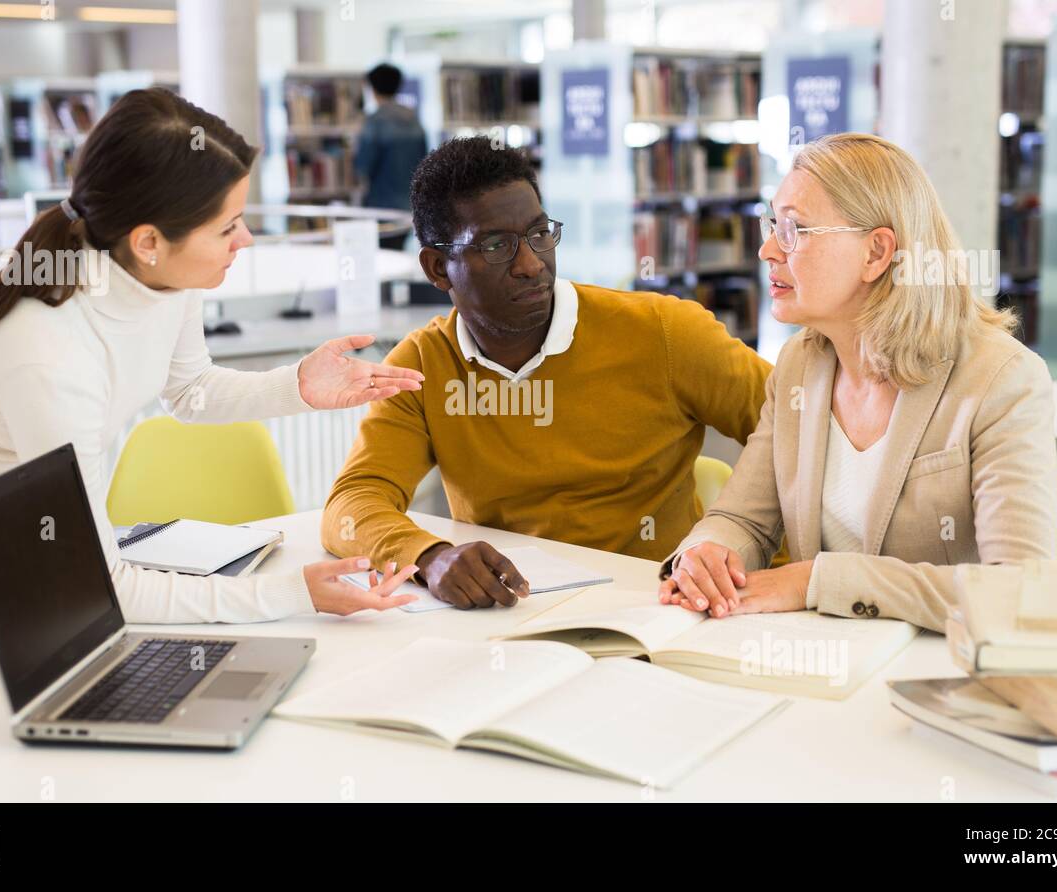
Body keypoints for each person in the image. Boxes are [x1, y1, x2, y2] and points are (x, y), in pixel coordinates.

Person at [0, 88, 425, 622]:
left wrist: (296, 385)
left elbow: (190, 392)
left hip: (1, 489)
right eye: (227, 227)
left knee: (7, 646)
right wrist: (289, 595)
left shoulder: (165, 275)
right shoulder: (48, 349)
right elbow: (103, 586)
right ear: (148, 241)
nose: (246, 240)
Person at [321, 136, 772, 610]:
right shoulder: (421, 366)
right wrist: (428, 556)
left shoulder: (663, 331)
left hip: (660, 606)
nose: (531, 264)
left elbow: (798, 431)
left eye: (539, 234)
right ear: (438, 268)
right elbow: (351, 504)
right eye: (496, 246)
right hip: (512, 614)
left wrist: (765, 559)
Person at [659, 132, 1057, 633]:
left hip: (941, 674)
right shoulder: (797, 367)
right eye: (771, 225)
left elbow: (1021, 591)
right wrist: (707, 555)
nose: (766, 250)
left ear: (876, 252)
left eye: (794, 229)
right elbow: (744, 520)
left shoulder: (1002, 379)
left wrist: (817, 581)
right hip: (822, 664)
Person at [354, 63, 428, 249]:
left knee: (382, 257)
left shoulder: (374, 121)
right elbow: (424, 161)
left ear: (372, 88)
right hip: (410, 204)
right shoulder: (414, 119)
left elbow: (363, 166)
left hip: (381, 205)